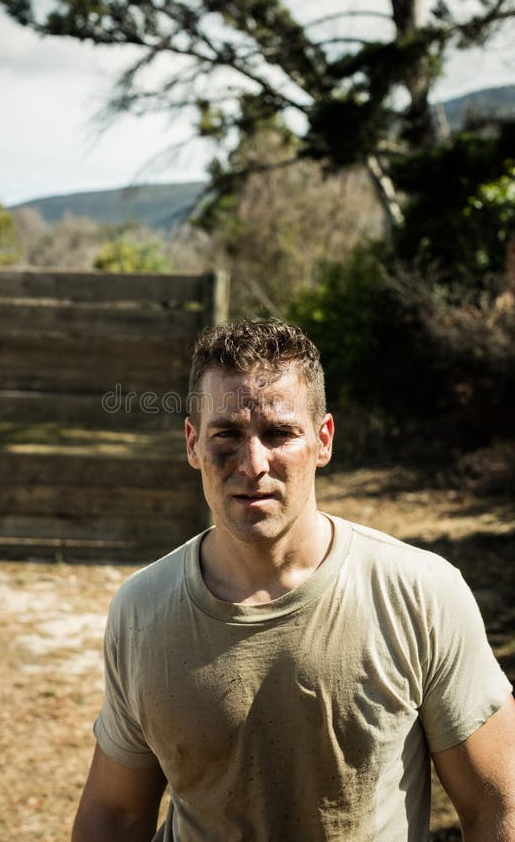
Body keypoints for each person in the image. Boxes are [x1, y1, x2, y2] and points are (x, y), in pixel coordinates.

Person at [72, 319, 515, 842]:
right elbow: (116, 813)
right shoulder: (142, 609)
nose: (253, 463)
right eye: (227, 435)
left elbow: (498, 803)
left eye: (279, 433)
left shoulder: (419, 594)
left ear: (323, 441)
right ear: (192, 444)